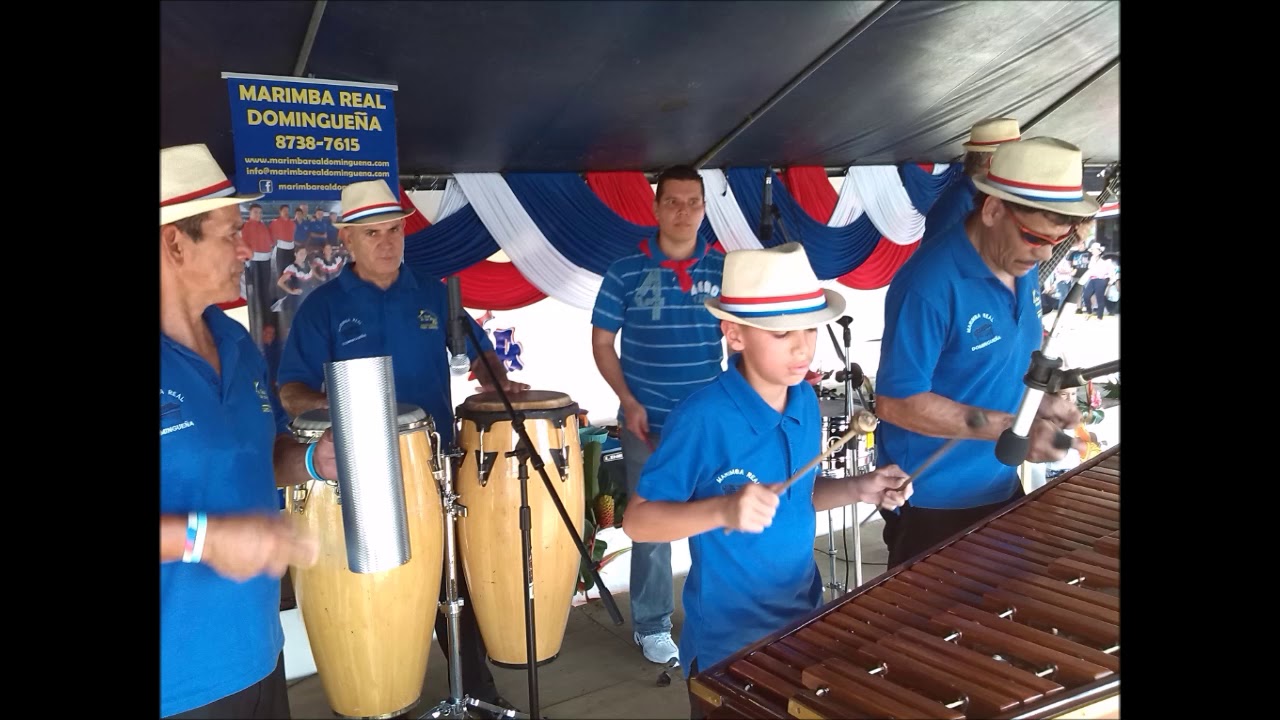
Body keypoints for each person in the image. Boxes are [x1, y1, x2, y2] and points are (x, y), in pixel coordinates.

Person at [621, 243, 912, 717]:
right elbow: (639, 522)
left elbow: (797, 499)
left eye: (810, 327)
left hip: (801, 625)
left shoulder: (803, 400)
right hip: (728, 646)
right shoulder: (702, 419)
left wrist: (861, 487)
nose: (802, 346)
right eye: (781, 333)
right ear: (734, 334)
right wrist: (722, 509)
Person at [275, 179, 528, 715]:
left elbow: (480, 355)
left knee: (449, 583)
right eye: (373, 233)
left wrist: (494, 378)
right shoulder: (322, 308)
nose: (387, 243)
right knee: (379, 589)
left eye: (394, 230)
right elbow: (291, 390)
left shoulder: (433, 293)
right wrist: (347, 410)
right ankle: (385, 694)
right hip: (356, 473)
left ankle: (476, 689)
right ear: (347, 238)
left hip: (431, 467)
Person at [161, 143, 338, 719]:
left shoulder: (236, 341)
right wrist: (205, 541)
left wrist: (313, 462)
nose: (248, 248)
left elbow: (255, 459)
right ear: (173, 242)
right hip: (179, 682)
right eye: (229, 234)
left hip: (258, 652)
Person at [874, 136, 1096, 569]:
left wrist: (1040, 406)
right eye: (1034, 236)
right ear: (992, 210)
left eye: (1058, 239)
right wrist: (1011, 427)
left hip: (999, 485)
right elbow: (896, 402)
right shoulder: (929, 284)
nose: (1045, 253)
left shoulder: (1019, 263)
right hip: (931, 499)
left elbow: (994, 373)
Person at [590, 164, 726, 666]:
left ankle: (716, 609)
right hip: (645, 426)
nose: (684, 211)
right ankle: (652, 625)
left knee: (718, 516)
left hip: (708, 427)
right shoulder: (624, 271)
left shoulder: (724, 270)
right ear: (655, 207)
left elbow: (739, 339)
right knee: (652, 527)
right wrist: (627, 400)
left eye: (694, 202)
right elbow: (602, 343)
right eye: (673, 201)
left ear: (705, 208)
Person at [920, 117, 1022, 245]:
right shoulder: (956, 203)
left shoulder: (979, 197)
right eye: (1013, 159)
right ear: (993, 162)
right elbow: (933, 259)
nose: (1018, 166)